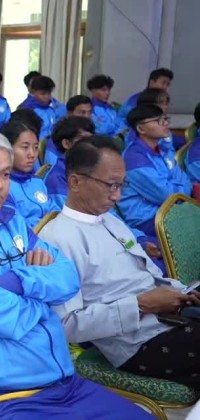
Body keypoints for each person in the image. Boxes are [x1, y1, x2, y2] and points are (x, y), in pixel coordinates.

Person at [0, 129, 153, 419]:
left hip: (65, 384)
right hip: (0, 399)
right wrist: (44, 299)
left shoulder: (11, 221)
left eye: (5, 174)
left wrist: (17, 280)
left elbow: (68, 277)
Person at [40, 137, 200, 388]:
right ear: (76, 182)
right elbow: (67, 325)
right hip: (138, 342)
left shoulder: (110, 220)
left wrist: (181, 292)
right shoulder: (57, 239)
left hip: (168, 317)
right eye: (110, 185)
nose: (117, 196)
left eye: (121, 185)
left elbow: (148, 275)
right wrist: (141, 305)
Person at [119, 104, 191, 238]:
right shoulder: (135, 158)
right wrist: (180, 190)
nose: (165, 124)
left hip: (171, 211)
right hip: (148, 220)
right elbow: (167, 196)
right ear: (141, 128)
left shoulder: (163, 151)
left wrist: (178, 191)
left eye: (165, 119)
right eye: (158, 121)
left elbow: (186, 182)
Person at [0, 120, 59, 228]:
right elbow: (17, 226)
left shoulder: (37, 182)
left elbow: (55, 211)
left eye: (35, 147)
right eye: (25, 147)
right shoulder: (2, 186)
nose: (32, 154)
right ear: (7, 149)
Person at [44, 116, 95, 207]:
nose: (89, 145)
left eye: (91, 139)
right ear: (66, 144)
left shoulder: (92, 167)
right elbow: (68, 212)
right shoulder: (56, 178)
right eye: (83, 139)